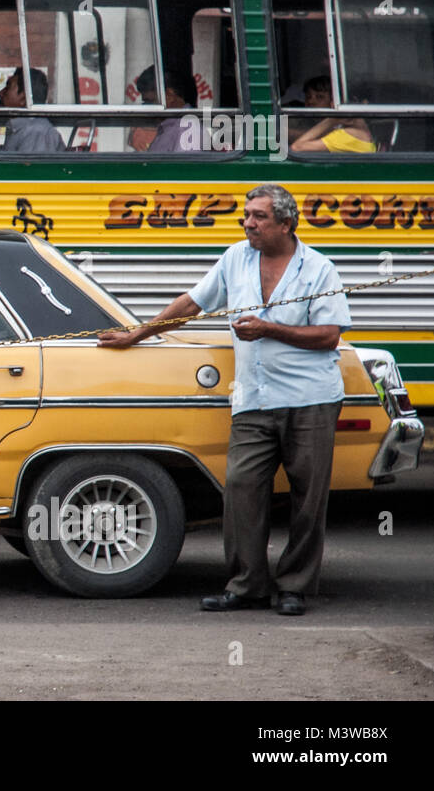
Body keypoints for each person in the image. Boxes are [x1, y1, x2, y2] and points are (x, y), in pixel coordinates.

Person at [97, 184, 351, 617]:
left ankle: (295, 587)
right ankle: (247, 585)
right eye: (246, 215)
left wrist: (270, 330)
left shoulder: (319, 269)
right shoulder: (236, 258)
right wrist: (138, 333)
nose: (248, 223)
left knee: (308, 499)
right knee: (241, 490)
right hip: (253, 398)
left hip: (310, 399)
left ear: (286, 224)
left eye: (258, 217)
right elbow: (192, 303)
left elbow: (329, 335)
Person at [0, 68, 65, 155]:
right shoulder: (21, 128)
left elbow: (28, 168)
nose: (0, 93)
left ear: (23, 99)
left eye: (7, 88)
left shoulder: (36, 132)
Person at [290, 76, 376, 154]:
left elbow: (296, 147)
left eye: (320, 97)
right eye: (308, 97)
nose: (311, 102)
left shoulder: (348, 134)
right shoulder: (362, 131)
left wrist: (331, 120)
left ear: (333, 103)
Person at [130, 66, 197, 153]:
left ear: (169, 95)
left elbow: (184, 166)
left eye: (150, 102)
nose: (147, 108)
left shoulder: (188, 131)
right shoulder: (168, 127)